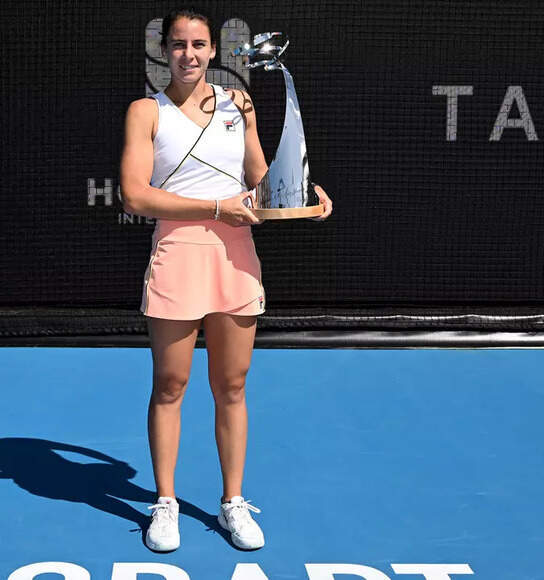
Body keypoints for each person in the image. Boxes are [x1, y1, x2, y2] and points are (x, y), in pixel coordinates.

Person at [120, 8, 333, 552]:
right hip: (177, 253)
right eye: (177, 44)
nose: (187, 54)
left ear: (213, 50)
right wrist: (217, 205)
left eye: (198, 44)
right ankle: (165, 504)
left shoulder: (240, 106)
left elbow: (258, 174)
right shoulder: (146, 112)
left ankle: (232, 502)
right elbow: (135, 195)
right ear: (163, 51)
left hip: (236, 258)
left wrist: (299, 193)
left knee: (231, 387)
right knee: (170, 386)